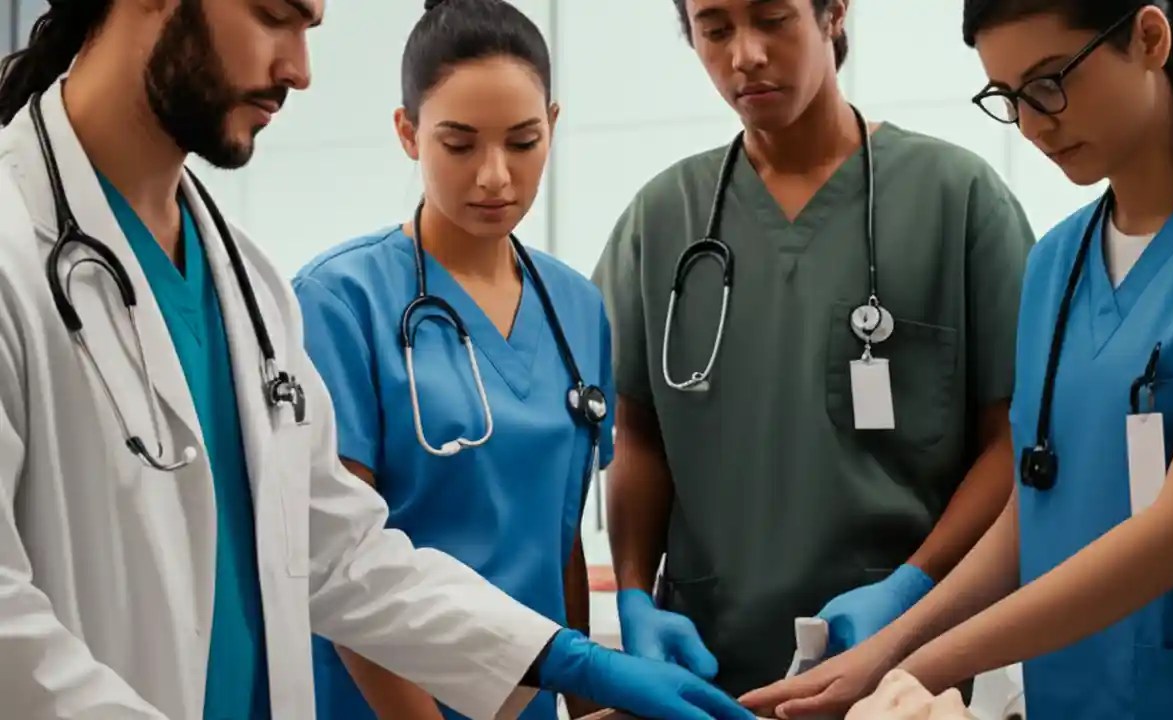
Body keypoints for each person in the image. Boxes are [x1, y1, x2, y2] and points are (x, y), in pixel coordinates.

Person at [0, 2, 757, 719]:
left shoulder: (249, 288)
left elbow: (339, 554)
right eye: (273, 15)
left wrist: (564, 656)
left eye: (310, 26)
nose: (299, 69)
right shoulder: (14, 247)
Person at [739, 1, 1173, 719]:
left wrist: (923, 666)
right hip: (1067, 696)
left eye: (1050, 82)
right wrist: (885, 650)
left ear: (1149, 38)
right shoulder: (1057, 262)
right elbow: (1033, 510)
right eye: (1009, 98)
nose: (1032, 123)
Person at [592, 0, 1035, 697]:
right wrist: (633, 595)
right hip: (707, 675)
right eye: (714, 29)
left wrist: (911, 589)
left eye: (772, 19)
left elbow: (1016, 440)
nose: (744, 55)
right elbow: (637, 432)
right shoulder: (662, 218)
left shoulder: (957, 199)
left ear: (833, 12)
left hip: (902, 676)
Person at [292, 2, 612, 719]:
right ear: (408, 133)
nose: (496, 176)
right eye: (460, 145)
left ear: (552, 127)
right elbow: (340, 563)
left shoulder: (577, 309)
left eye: (524, 142)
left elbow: (556, 538)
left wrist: (593, 703)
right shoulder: (339, 303)